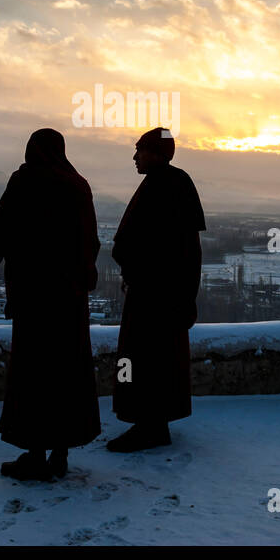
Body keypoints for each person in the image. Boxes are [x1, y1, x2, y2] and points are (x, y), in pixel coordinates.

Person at [0, 128, 101, 480]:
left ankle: (36, 453)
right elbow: (90, 241)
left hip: (34, 297)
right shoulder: (78, 185)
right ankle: (60, 454)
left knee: (34, 372)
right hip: (68, 299)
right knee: (67, 371)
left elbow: (5, 230)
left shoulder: (25, 181)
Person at [108, 127, 206, 452]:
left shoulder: (168, 185)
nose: (135, 157)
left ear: (156, 153)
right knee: (153, 359)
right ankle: (151, 423)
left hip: (157, 296)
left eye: (140, 150)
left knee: (148, 359)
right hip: (156, 293)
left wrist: (176, 292)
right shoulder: (167, 184)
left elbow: (181, 250)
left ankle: (149, 426)